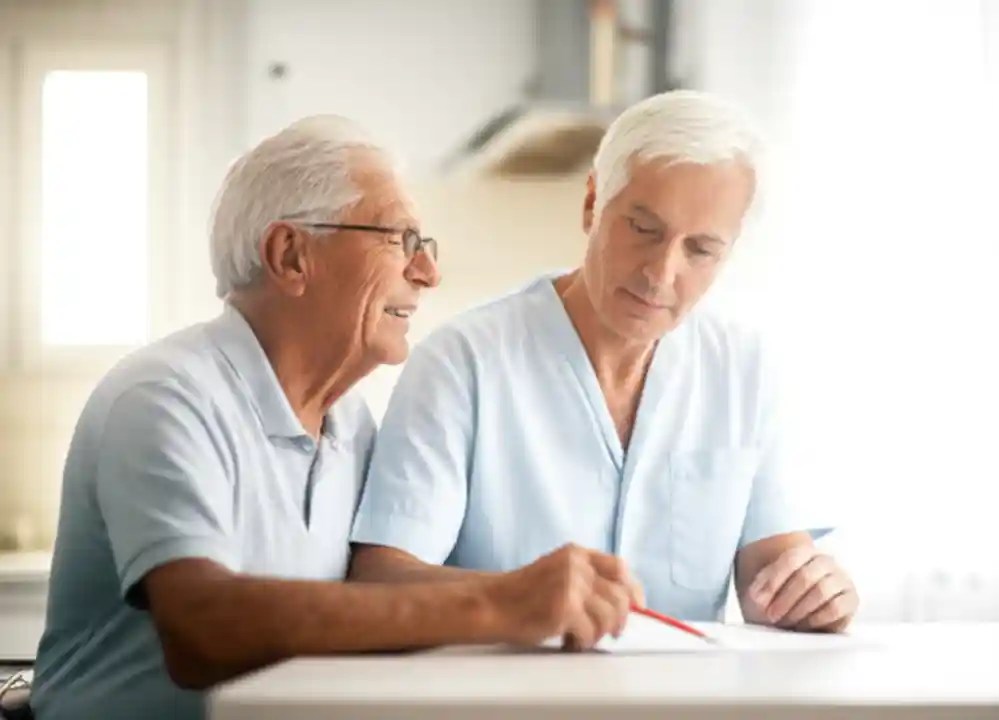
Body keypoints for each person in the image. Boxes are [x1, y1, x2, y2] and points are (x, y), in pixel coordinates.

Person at [32, 116, 641, 720]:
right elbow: (201, 630)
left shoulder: (350, 424)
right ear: (291, 255)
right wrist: (499, 603)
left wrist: (552, 590)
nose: (427, 274)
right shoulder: (167, 397)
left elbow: (360, 596)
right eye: (399, 240)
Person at [350, 91, 858, 630]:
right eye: (643, 229)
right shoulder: (462, 363)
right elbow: (383, 578)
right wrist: (512, 598)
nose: (661, 272)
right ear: (592, 204)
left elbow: (773, 580)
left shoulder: (744, 372)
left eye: (701, 250)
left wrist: (813, 594)